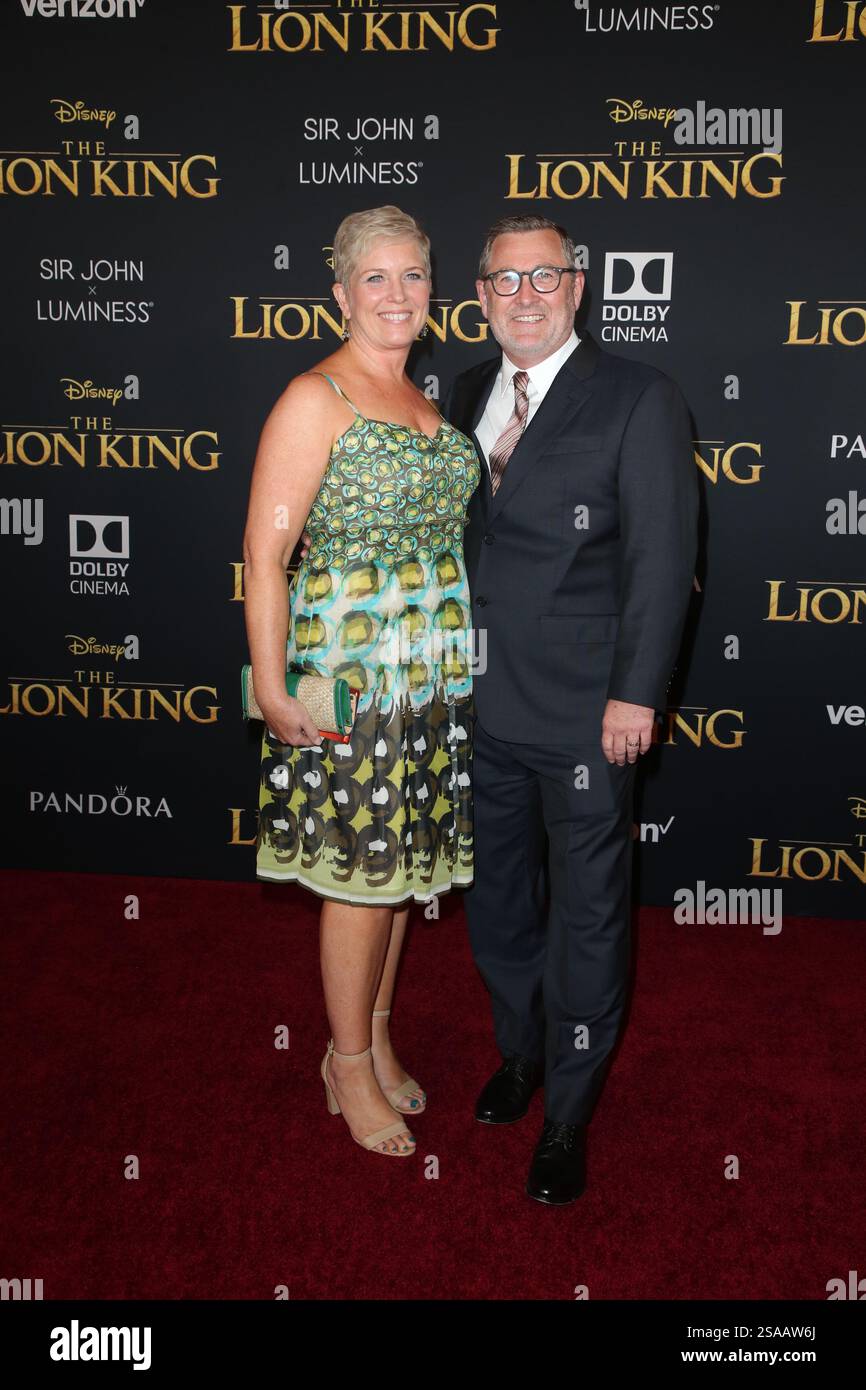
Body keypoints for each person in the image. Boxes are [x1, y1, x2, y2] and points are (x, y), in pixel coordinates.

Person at [444, 213, 698, 1204]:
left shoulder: (637, 396)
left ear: (577, 288)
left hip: (590, 715)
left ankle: (570, 1110)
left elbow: (660, 556)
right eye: (502, 283)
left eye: (541, 277)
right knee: (501, 899)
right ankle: (523, 1051)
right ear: (478, 297)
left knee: (587, 917)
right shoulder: (466, 391)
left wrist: (636, 691)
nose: (523, 297)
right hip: (479, 706)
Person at [242, 205, 480, 1160]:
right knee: (362, 879)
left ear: (432, 292)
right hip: (350, 681)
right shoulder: (317, 398)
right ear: (339, 294)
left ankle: (376, 1036)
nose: (396, 293)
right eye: (374, 278)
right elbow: (265, 556)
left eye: (413, 276)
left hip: (432, 680)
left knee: (404, 871)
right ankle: (344, 1061)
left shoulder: (428, 401)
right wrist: (272, 686)